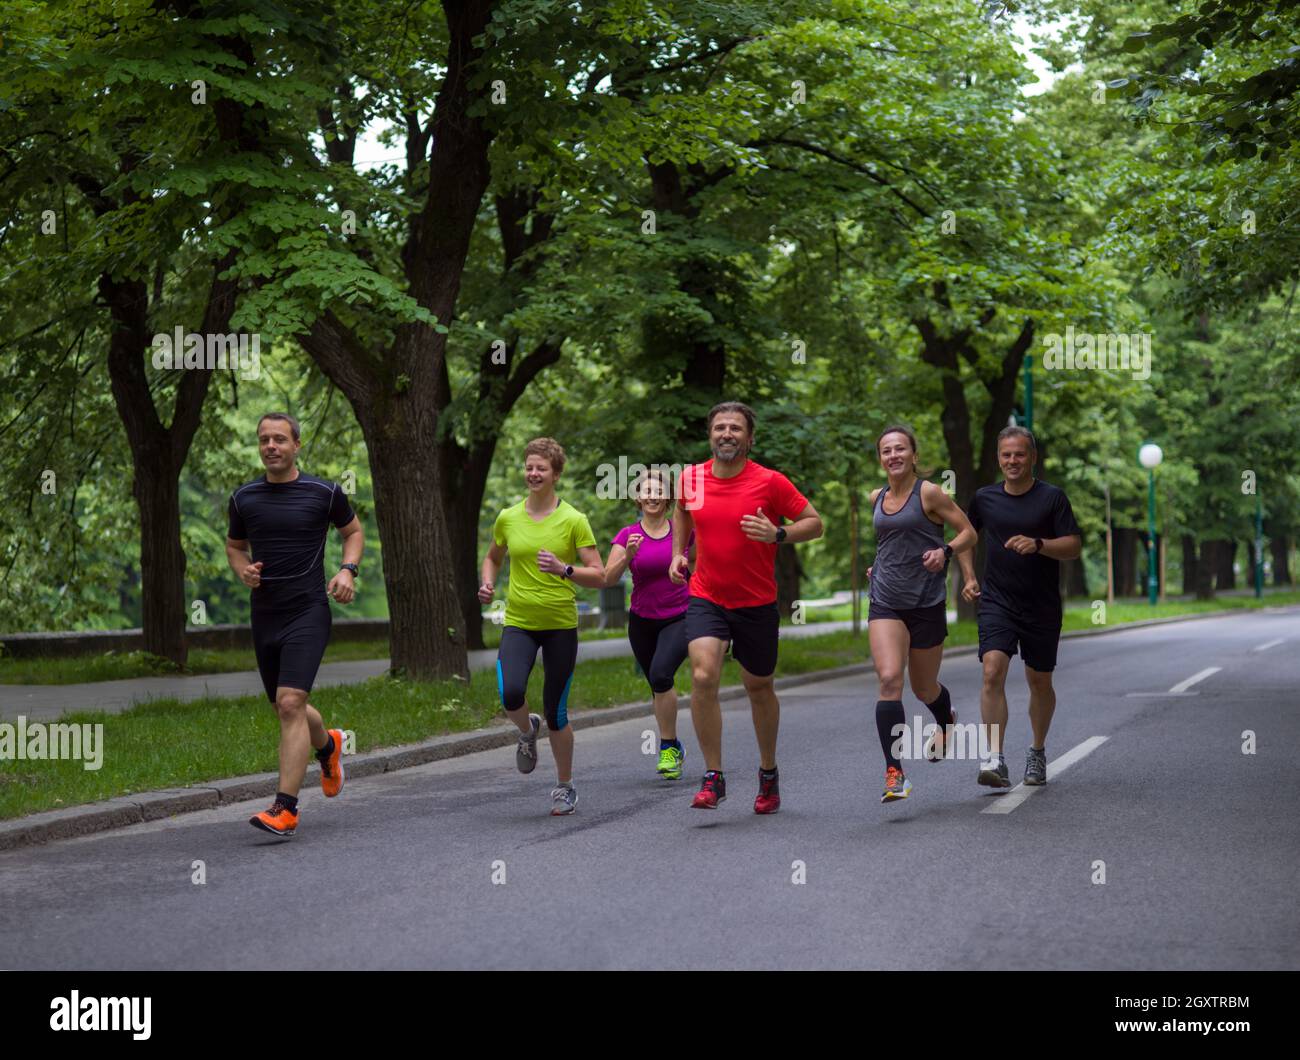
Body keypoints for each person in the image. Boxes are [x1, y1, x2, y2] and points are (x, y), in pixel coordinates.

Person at [669, 401, 823, 813]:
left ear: (750, 438)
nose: (727, 434)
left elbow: (815, 522)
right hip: (707, 595)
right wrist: (678, 553)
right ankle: (713, 776)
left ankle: (768, 773)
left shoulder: (770, 482)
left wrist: (778, 533)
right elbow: (682, 512)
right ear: (710, 435)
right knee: (703, 675)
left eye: (736, 428)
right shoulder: (691, 478)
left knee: (759, 687)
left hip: (755, 602)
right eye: (720, 427)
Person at [226, 412, 363, 837]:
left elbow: (353, 532)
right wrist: (242, 569)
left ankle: (285, 809)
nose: (271, 446)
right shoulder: (243, 498)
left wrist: (347, 571)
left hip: (308, 608)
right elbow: (234, 546)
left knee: (290, 703)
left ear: (296, 445)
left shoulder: (325, 492)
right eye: (264, 439)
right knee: (286, 707)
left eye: (280, 439)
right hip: (265, 612)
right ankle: (329, 745)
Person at [479, 438, 604, 815]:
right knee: (511, 693)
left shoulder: (574, 520)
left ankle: (564, 786)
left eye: (542, 468)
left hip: (560, 626)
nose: (533, 474)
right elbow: (493, 557)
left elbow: (598, 575)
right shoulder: (507, 517)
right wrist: (487, 583)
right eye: (529, 467)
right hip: (519, 621)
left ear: (556, 474)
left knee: (558, 713)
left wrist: (565, 569)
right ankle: (526, 729)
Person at [957, 426, 1083, 788]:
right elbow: (966, 536)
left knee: (1039, 681)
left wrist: (1039, 544)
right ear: (999, 458)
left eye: (1019, 454)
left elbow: (1073, 545)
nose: (1012, 461)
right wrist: (968, 576)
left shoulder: (1052, 498)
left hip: (1041, 605)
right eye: (1006, 455)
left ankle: (1037, 751)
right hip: (998, 601)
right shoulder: (983, 498)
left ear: (1033, 458)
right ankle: (995, 758)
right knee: (992, 670)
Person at [866, 426, 977, 803]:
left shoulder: (929, 493)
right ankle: (895, 773)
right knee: (889, 679)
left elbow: (969, 532)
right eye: (886, 451)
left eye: (900, 449)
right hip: (885, 601)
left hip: (926, 603)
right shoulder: (876, 497)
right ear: (880, 458)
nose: (893, 455)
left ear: (913, 455)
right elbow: (888, 543)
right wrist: (877, 567)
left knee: (924, 687)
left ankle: (945, 719)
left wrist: (944, 553)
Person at [605, 468, 695, 780]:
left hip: (680, 614)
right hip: (642, 621)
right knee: (657, 685)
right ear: (638, 497)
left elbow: (703, 564)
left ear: (668, 499)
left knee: (660, 674)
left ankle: (668, 748)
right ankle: (675, 744)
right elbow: (608, 578)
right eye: (647, 491)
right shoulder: (626, 535)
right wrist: (626, 555)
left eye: (659, 492)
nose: (652, 496)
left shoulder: (683, 532)